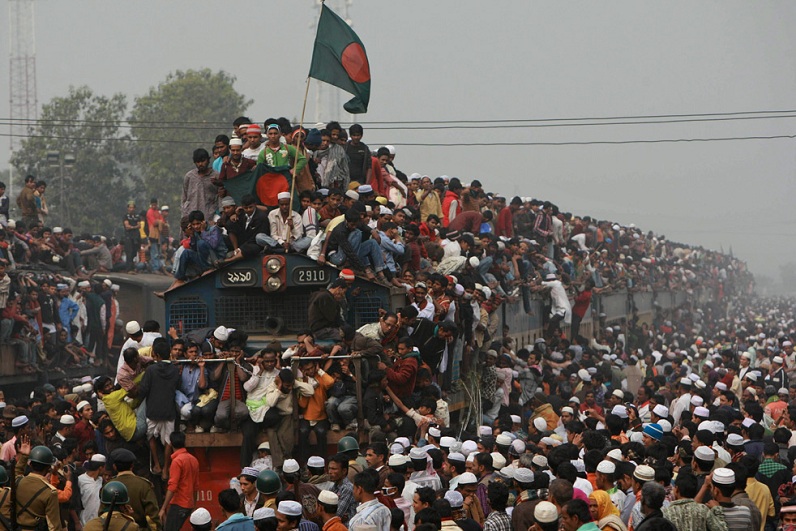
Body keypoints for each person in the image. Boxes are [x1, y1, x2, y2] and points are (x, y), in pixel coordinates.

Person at [110, 448, 162, 531]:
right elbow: (152, 516)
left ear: (114, 467)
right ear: (132, 466)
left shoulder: (108, 486)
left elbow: (102, 515)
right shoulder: (144, 485)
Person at [15, 444, 62, 531]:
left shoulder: (18, 482)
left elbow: (17, 471)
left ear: (31, 465)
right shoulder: (50, 492)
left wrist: (24, 456)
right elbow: (54, 526)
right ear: (48, 468)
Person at [160, 432, 200, 531]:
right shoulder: (193, 459)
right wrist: (194, 505)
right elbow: (196, 486)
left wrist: (163, 508)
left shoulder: (177, 461)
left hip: (178, 504)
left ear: (171, 443)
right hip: (188, 504)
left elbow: (172, 487)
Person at [182, 148, 220, 223]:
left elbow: (219, 195)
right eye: (198, 162)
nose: (200, 164)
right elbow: (184, 197)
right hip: (191, 217)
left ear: (208, 160)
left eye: (203, 161)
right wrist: (185, 214)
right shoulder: (189, 176)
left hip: (209, 217)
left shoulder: (215, 176)